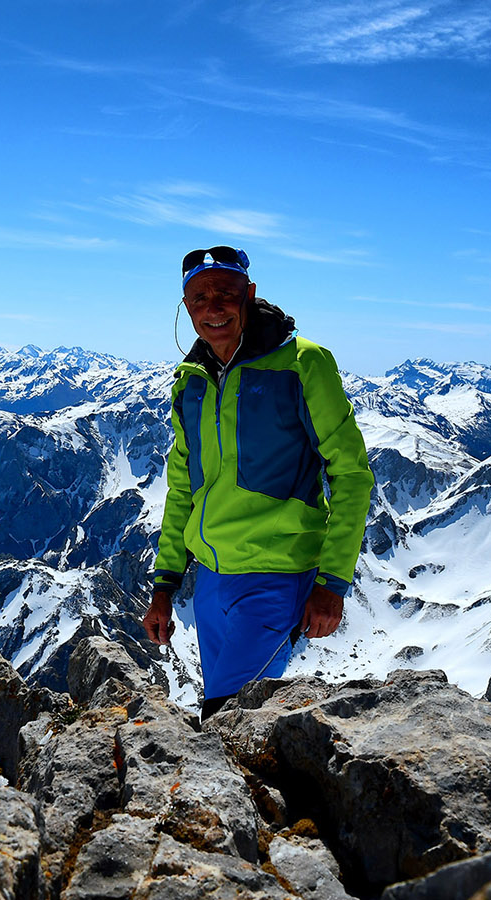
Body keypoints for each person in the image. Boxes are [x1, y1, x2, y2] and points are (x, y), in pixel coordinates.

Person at [143, 246, 373, 720]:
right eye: (200, 298)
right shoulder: (191, 382)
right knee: (226, 718)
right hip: (209, 579)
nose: (214, 307)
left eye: (225, 294)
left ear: (249, 295)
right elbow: (184, 486)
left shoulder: (302, 364)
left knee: (225, 719)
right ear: (186, 307)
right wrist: (165, 585)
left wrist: (332, 582)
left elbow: (350, 474)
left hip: (276, 575)